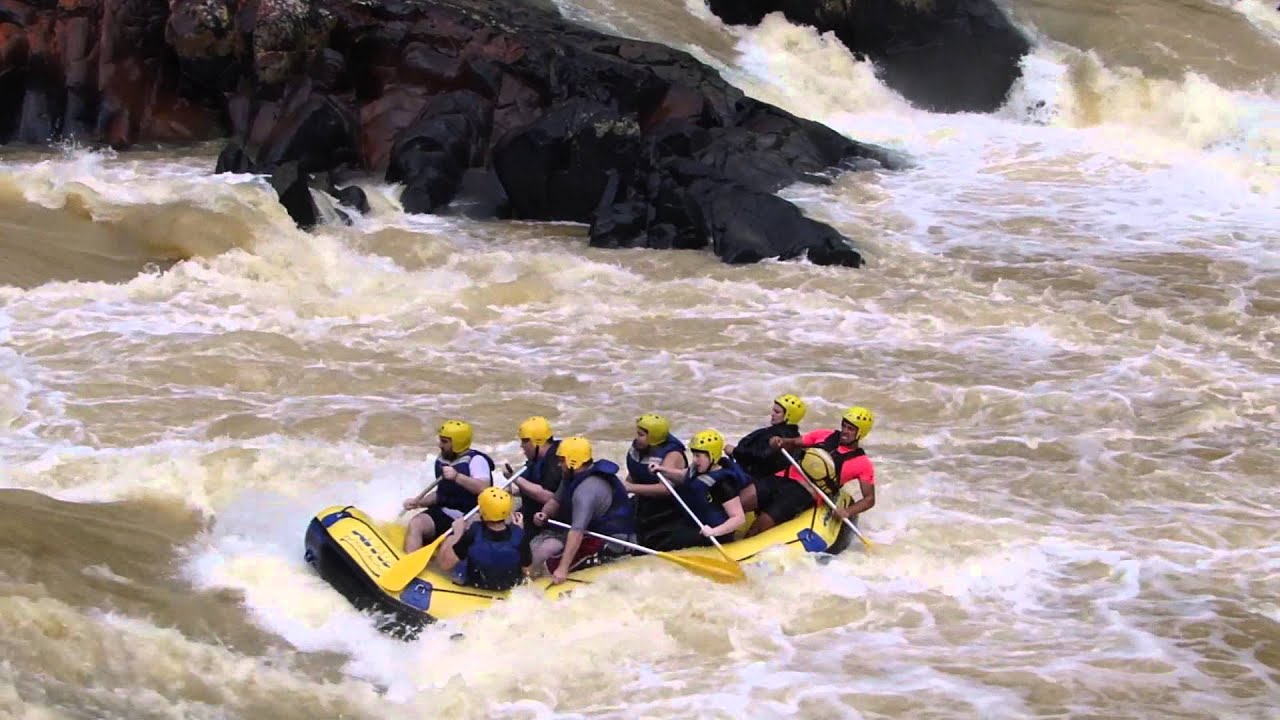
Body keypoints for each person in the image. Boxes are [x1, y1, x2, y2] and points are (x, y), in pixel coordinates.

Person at [531, 436, 636, 585]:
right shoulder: (570, 475)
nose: (559, 465)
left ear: (573, 462)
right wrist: (545, 513)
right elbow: (555, 501)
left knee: (549, 567)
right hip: (590, 533)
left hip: (612, 542)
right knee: (544, 549)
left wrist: (562, 569)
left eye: (562, 461)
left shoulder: (585, 491)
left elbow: (577, 532)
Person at [769, 406, 877, 524]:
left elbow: (869, 499)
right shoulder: (825, 435)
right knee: (746, 498)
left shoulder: (862, 463)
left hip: (807, 492)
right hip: (784, 477)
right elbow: (793, 442)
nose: (845, 431)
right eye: (844, 426)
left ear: (860, 433)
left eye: (850, 429)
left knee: (764, 521)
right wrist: (781, 441)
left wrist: (848, 511)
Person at [647, 429, 749, 550]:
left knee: (666, 543)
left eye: (698, 456)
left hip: (712, 533)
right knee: (654, 535)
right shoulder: (699, 468)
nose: (695, 460)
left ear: (711, 456)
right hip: (692, 523)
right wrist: (662, 470)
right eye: (694, 455)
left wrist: (714, 531)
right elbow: (684, 476)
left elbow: (738, 518)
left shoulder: (723, 483)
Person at [402, 420, 495, 552]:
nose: (440, 445)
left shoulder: (477, 461)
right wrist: (418, 502)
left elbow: (484, 488)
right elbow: (441, 494)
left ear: (457, 443)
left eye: (445, 441)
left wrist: (457, 477)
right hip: (444, 513)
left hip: (470, 516)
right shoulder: (443, 460)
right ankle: (409, 565)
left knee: (455, 544)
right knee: (416, 523)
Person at [437, 486, 531, 591]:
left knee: (450, 540)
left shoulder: (474, 531)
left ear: (483, 511)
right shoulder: (520, 535)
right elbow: (527, 571)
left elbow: (445, 565)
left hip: (476, 585)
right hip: (507, 586)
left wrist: (457, 533)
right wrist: (519, 531)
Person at [727, 394, 805, 514]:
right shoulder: (795, 436)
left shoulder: (778, 437)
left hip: (757, 483)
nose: (772, 414)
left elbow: (761, 456)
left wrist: (735, 451)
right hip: (767, 483)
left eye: (777, 412)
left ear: (788, 416)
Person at [620, 413, 688, 548]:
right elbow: (635, 473)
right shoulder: (640, 448)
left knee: (652, 540)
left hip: (668, 511)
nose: (636, 438)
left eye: (641, 435)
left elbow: (665, 489)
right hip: (644, 503)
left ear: (653, 437)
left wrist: (630, 488)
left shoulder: (672, 455)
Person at [505, 416, 563, 541]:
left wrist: (515, 478)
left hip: (546, 520)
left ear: (536, 442)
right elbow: (533, 484)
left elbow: (550, 497)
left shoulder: (558, 462)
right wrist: (515, 490)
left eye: (525, 441)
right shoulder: (536, 459)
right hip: (530, 512)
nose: (522, 446)